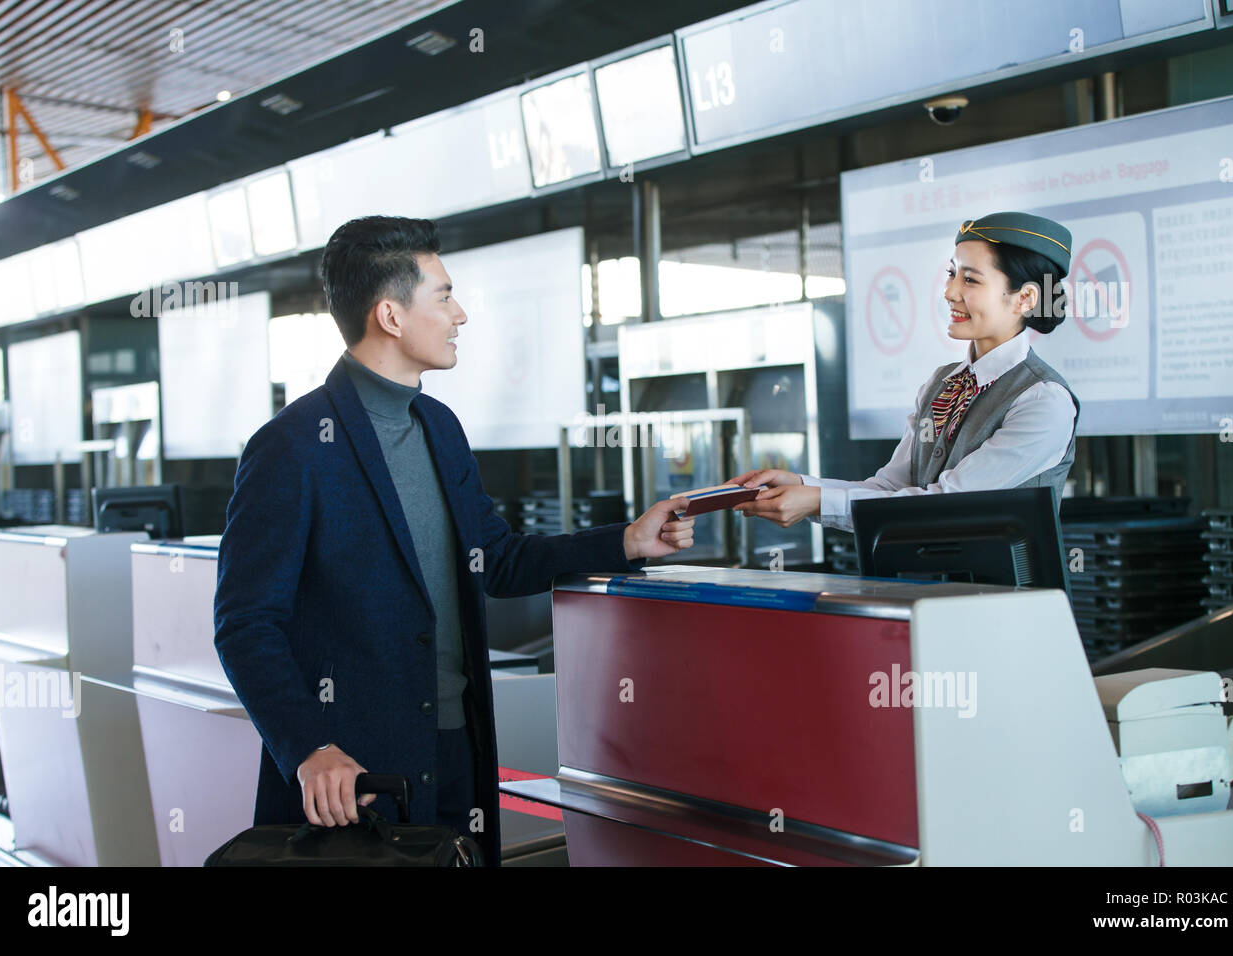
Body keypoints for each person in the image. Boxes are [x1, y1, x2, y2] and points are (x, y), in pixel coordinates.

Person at [213, 215, 695, 867]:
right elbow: (246, 624)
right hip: (352, 769)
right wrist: (307, 748)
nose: (459, 314)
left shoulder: (441, 429)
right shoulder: (293, 445)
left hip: (456, 751)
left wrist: (628, 542)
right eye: (443, 296)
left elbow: (497, 559)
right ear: (389, 315)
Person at [731, 211, 1080, 532]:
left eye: (970, 280)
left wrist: (819, 501)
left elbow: (952, 502)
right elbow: (892, 488)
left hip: (1006, 598)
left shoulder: (1043, 399)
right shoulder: (940, 383)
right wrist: (803, 486)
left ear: (1026, 299)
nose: (950, 292)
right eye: (951, 273)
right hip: (926, 591)